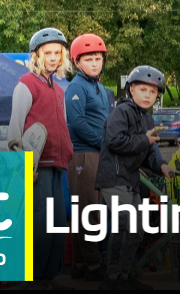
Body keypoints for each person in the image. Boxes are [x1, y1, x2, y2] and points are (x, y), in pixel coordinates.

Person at [94, 65, 174, 289]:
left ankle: (124, 275)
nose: (148, 95)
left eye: (153, 92)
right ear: (131, 90)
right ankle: (112, 277)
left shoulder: (147, 119)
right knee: (124, 225)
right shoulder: (122, 112)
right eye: (143, 90)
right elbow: (115, 141)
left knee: (136, 229)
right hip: (114, 177)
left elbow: (148, 153)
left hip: (130, 180)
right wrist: (145, 141)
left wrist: (161, 166)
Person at [7, 27, 74, 288]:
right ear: (36, 55)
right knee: (40, 226)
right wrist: (22, 166)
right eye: (48, 53)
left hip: (58, 165)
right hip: (37, 169)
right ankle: (31, 280)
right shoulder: (26, 85)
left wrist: (66, 155)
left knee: (58, 225)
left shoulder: (59, 90)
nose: (54, 57)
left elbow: (63, 126)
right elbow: (14, 130)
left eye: (58, 52)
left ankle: (48, 278)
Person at [64, 32, 111, 281]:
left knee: (93, 211)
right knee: (87, 213)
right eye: (89, 59)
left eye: (98, 58)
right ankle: (94, 266)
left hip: (98, 154)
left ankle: (80, 265)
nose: (95, 63)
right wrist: (103, 143)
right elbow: (77, 122)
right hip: (83, 155)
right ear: (77, 62)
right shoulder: (76, 87)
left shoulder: (99, 88)